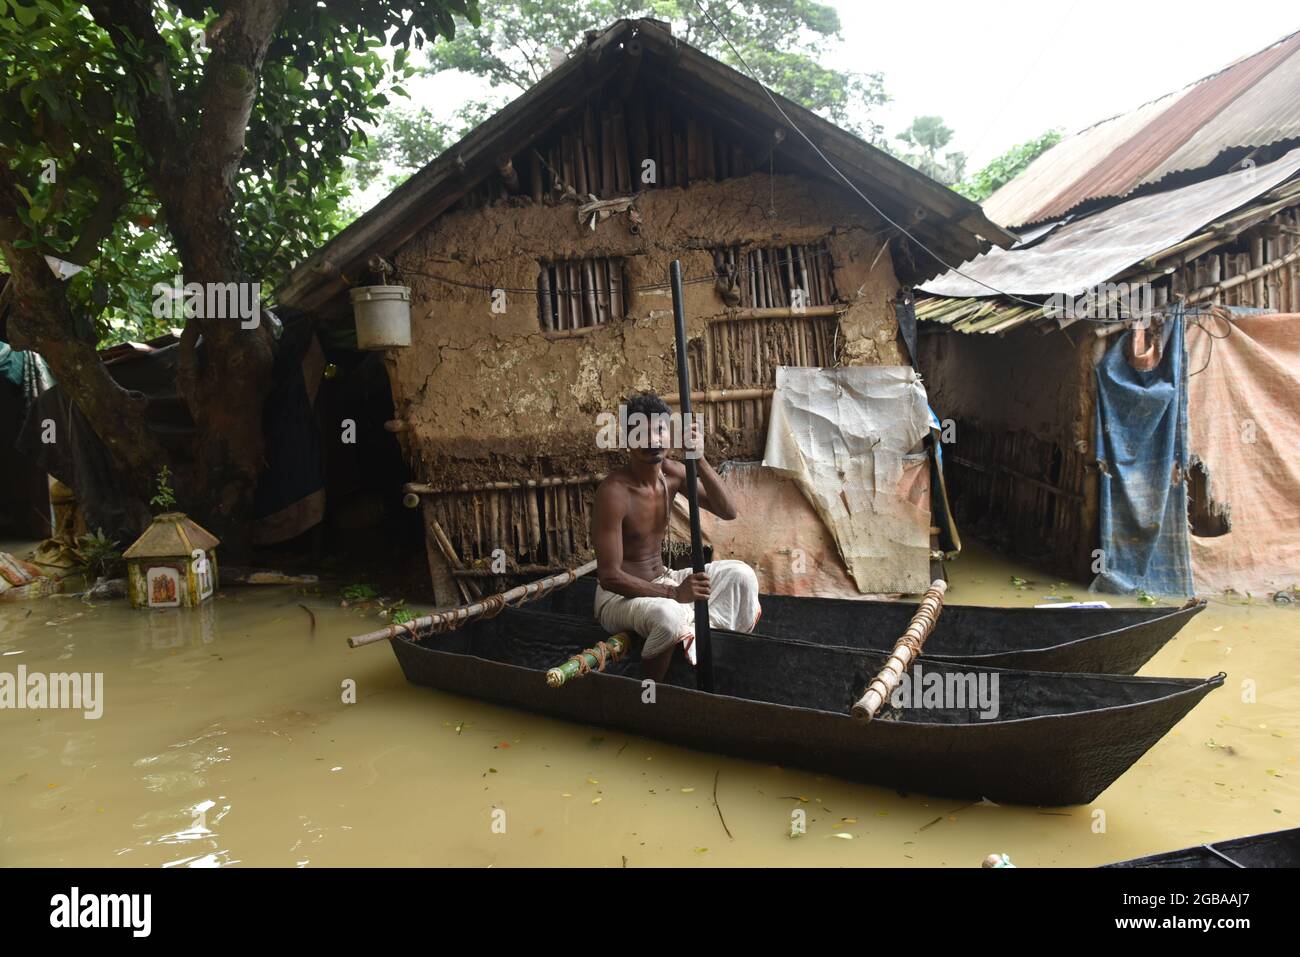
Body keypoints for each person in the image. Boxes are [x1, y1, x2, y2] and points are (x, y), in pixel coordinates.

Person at [590, 392, 760, 681]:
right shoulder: (614, 492)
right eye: (640, 432)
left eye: (659, 430)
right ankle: (652, 693)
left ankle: (711, 656)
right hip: (619, 598)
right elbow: (609, 577)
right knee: (669, 616)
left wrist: (699, 458)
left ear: (669, 435)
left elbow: (728, 510)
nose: (652, 440)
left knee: (741, 576)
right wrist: (675, 594)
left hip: (664, 580)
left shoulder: (672, 473)